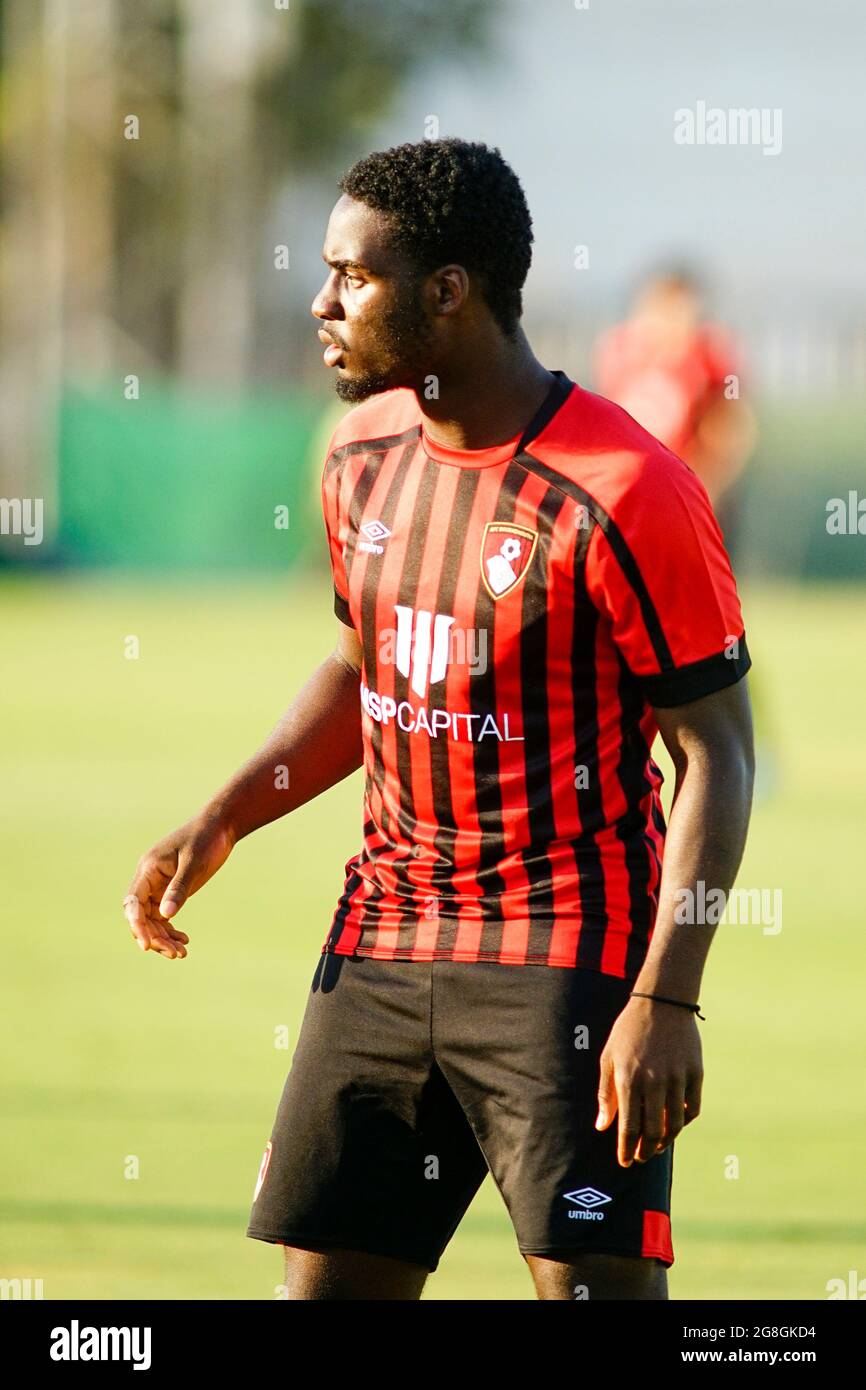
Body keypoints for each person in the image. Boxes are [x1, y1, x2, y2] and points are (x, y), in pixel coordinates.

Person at [123, 139, 755, 1301]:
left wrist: (664, 997)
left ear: (449, 292)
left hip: (563, 961)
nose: (321, 304)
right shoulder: (359, 455)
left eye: (352, 278)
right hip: (378, 941)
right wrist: (224, 818)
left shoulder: (626, 489)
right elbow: (365, 668)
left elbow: (717, 750)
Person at [594, 268, 756, 555]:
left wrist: (709, 484)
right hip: (630, 494)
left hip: (685, 491)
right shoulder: (620, 350)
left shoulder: (708, 353)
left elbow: (731, 424)